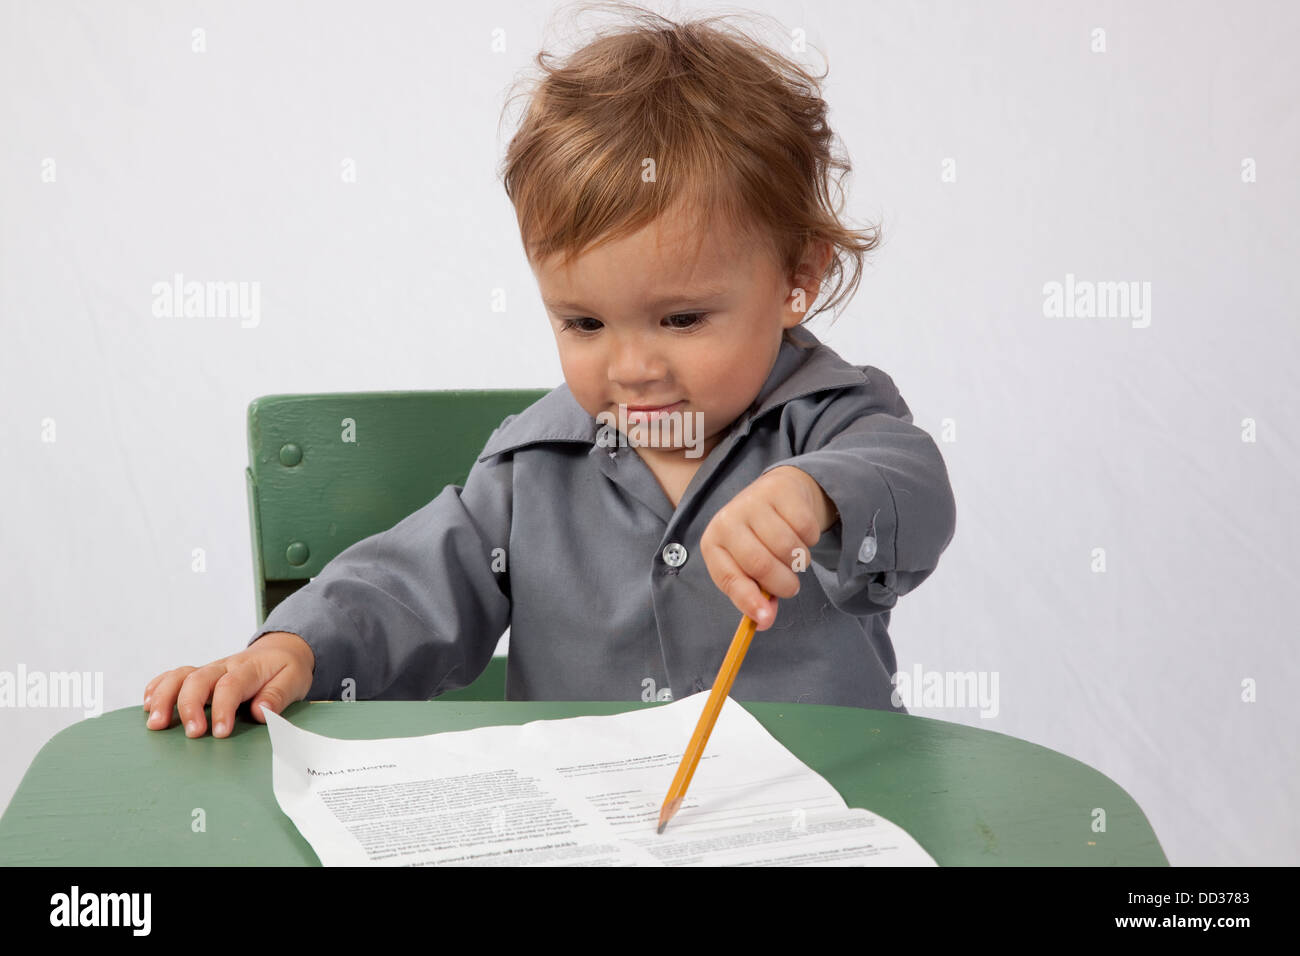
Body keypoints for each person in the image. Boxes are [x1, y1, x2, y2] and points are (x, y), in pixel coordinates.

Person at [143, 3, 957, 738]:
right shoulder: (532, 467)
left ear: (796, 279)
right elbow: (410, 587)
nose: (633, 368)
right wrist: (298, 646)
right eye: (584, 323)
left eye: (682, 319)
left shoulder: (832, 421)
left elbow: (912, 486)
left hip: (824, 820)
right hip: (590, 830)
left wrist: (816, 496)